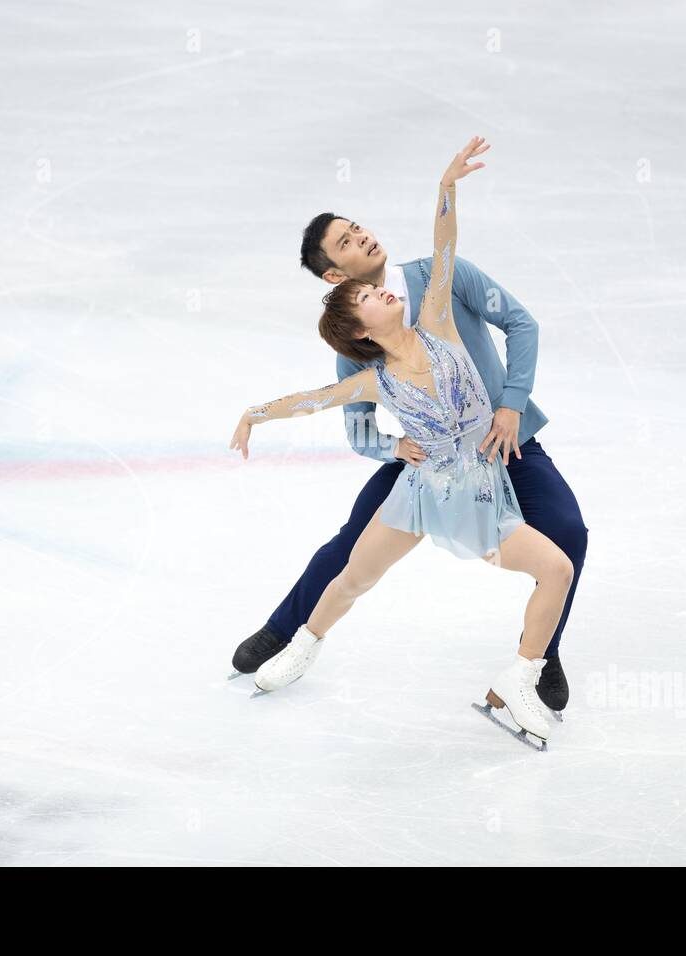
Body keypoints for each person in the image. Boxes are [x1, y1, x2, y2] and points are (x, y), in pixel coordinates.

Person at [230, 138, 572, 740]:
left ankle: (530, 668)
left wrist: (446, 187)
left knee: (560, 555)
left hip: (482, 476)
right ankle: (299, 645)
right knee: (354, 572)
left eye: (355, 228)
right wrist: (256, 415)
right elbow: (314, 403)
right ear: (352, 310)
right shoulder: (366, 375)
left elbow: (447, 247)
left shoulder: (434, 310)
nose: (362, 241)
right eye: (362, 294)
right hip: (419, 486)